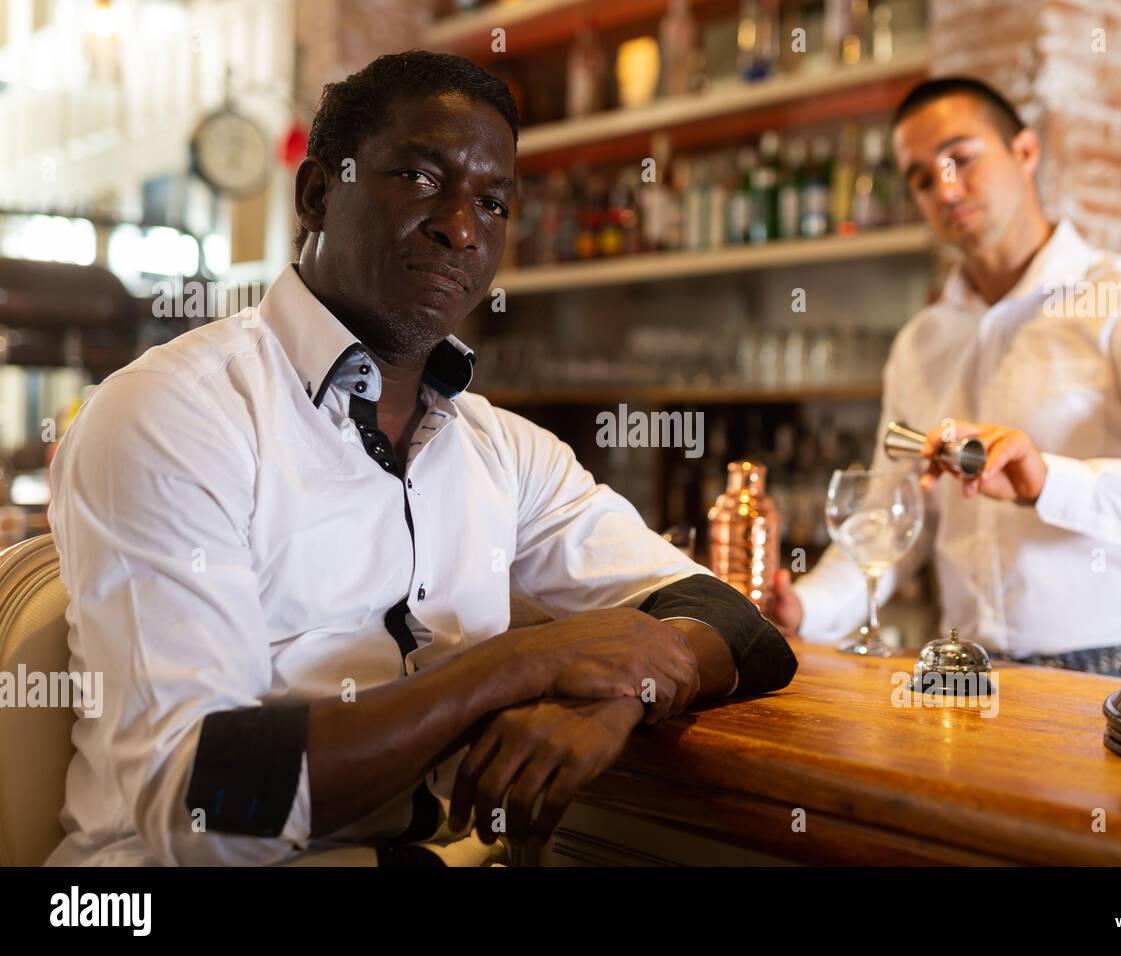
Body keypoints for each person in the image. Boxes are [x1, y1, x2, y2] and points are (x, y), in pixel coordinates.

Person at [46, 51, 796, 866]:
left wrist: (623, 693)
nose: (462, 228)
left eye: (494, 201)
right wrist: (525, 660)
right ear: (317, 194)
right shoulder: (175, 414)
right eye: (420, 178)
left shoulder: (499, 449)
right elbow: (208, 807)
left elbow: (735, 621)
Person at [768, 77, 1121, 675]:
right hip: (967, 673)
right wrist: (805, 606)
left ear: (1025, 153)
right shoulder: (921, 342)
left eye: (961, 158)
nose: (945, 188)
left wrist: (1046, 482)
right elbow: (893, 520)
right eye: (922, 177)